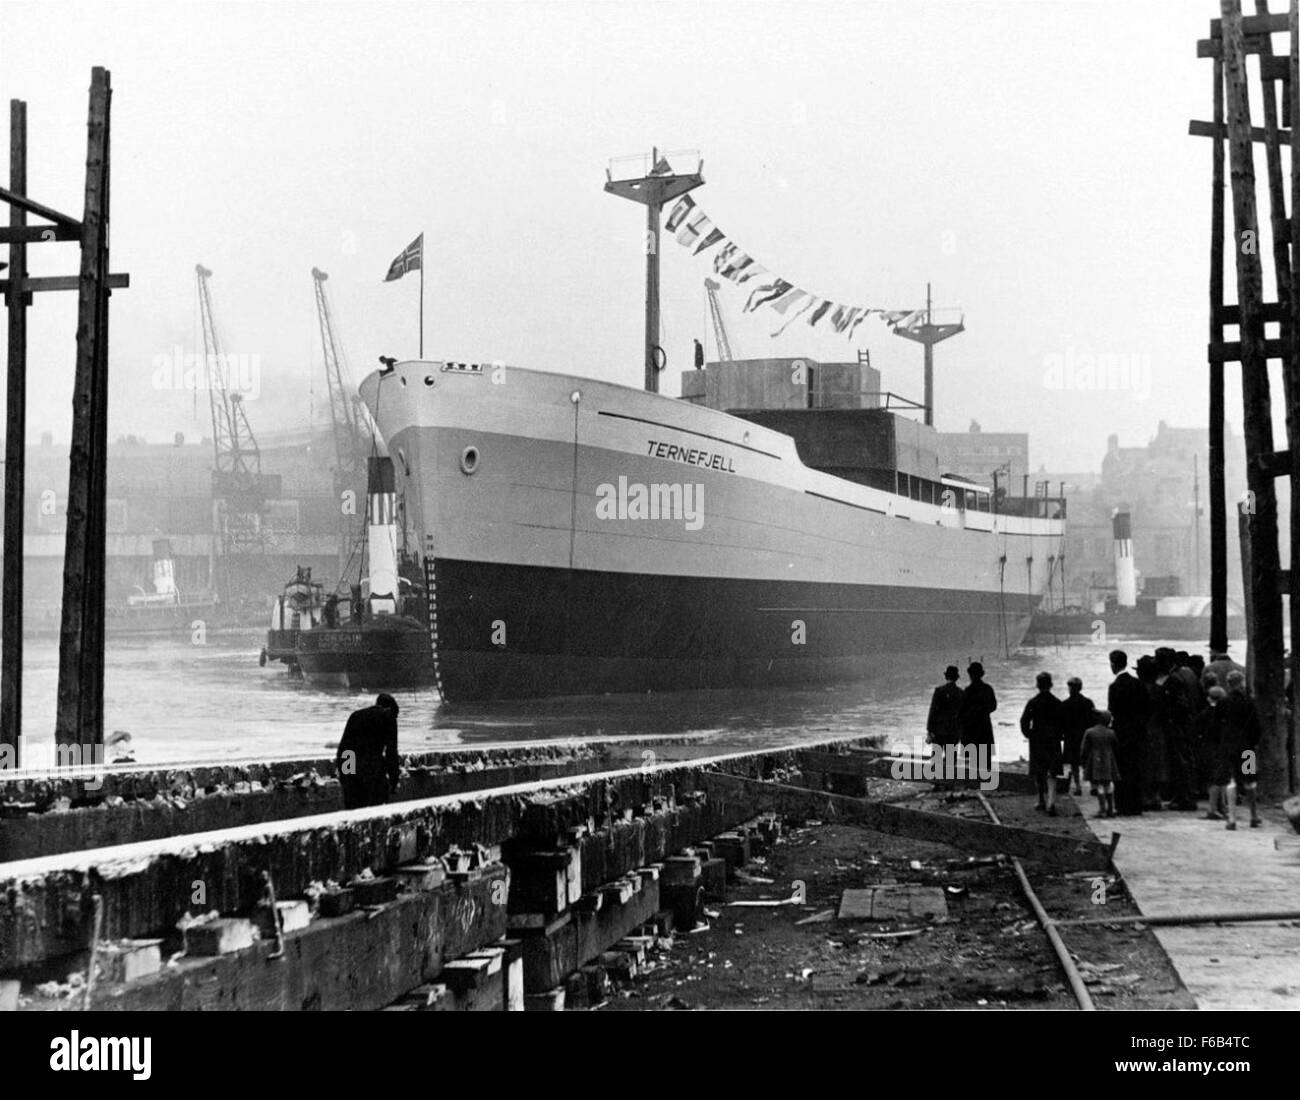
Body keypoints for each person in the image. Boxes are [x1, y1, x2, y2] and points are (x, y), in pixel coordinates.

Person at [335, 693, 401, 809]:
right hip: (373, 772)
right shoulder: (388, 717)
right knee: (376, 812)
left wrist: (346, 776)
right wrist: (394, 780)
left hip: (353, 769)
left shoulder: (355, 716)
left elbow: (345, 749)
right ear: (390, 709)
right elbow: (391, 753)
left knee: (354, 812)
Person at [1219, 671, 1262, 831]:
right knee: (1250, 781)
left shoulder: (1223, 702)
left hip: (1229, 747)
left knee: (1231, 780)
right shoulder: (1249, 702)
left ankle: (1231, 819)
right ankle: (1253, 816)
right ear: (1241, 683)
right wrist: (1255, 742)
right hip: (1247, 748)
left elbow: (1217, 725)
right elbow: (1256, 726)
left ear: (1228, 684)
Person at [1107, 650, 1148, 815]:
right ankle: (1136, 804)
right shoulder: (1138, 684)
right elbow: (1147, 708)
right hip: (1137, 731)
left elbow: (1112, 711)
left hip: (1121, 732)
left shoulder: (1115, 687)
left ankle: (1122, 805)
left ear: (1113, 665)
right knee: (1136, 767)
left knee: (1121, 769)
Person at [1020, 671, 1064, 814]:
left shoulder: (1033, 702)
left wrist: (1029, 734)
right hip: (1053, 739)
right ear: (1051, 685)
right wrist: (1060, 735)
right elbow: (1064, 721)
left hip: (1037, 739)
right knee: (1052, 771)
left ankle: (1041, 799)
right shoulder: (1057, 702)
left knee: (1039, 771)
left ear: (1037, 685)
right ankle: (1051, 801)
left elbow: (1024, 721)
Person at [958, 662, 997, 784]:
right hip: (984, 725)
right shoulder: (988, 689)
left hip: (971, 727)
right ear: (981, 675)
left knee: (973, 757)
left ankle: (975, 781)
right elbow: (993, 706)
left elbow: (961, 711)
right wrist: (983, 711)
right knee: (985, 756)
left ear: (970, 675)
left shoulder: (967, 691)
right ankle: (987, 780)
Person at [926, 665, 964, 791]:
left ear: (945, 676)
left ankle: (936, 783)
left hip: (938, 731)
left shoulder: (939, 691)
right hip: (953, 732)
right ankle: (949, 783)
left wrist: (929, 730)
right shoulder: (960, 693)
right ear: (956, 678)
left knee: (936, 756)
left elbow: (932, 712)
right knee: (950, 757)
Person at [1080, 709, 1121, 818]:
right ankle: (1110, 809)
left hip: (1095, 760)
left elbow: (1084, 749)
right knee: (1109, 784)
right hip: (1108, 759)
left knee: (1099, 785)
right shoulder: (1111, 732)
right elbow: (1116, 746)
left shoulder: (1090, 732)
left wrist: (1083, 762)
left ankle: (1102, 810)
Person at [1059, 676, 1094, 797]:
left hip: (1071, 737)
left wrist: (1062, 735)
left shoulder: (1064, 704)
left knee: (1074, 763)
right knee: (1086, 761)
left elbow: (1061, 723)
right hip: (1085, 735)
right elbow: (1092, 720)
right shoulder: (1088, 703)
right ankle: (1093, 785)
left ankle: (1078, 786)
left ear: (1070, 688)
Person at [1198, 685, 1228, 819]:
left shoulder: (1204, 713)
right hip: (1221, 747)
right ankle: (1221, 806)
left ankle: (1213, 808)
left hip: (1207, 747)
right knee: (1221, 778)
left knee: (1213, 779)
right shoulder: (1224, 713)